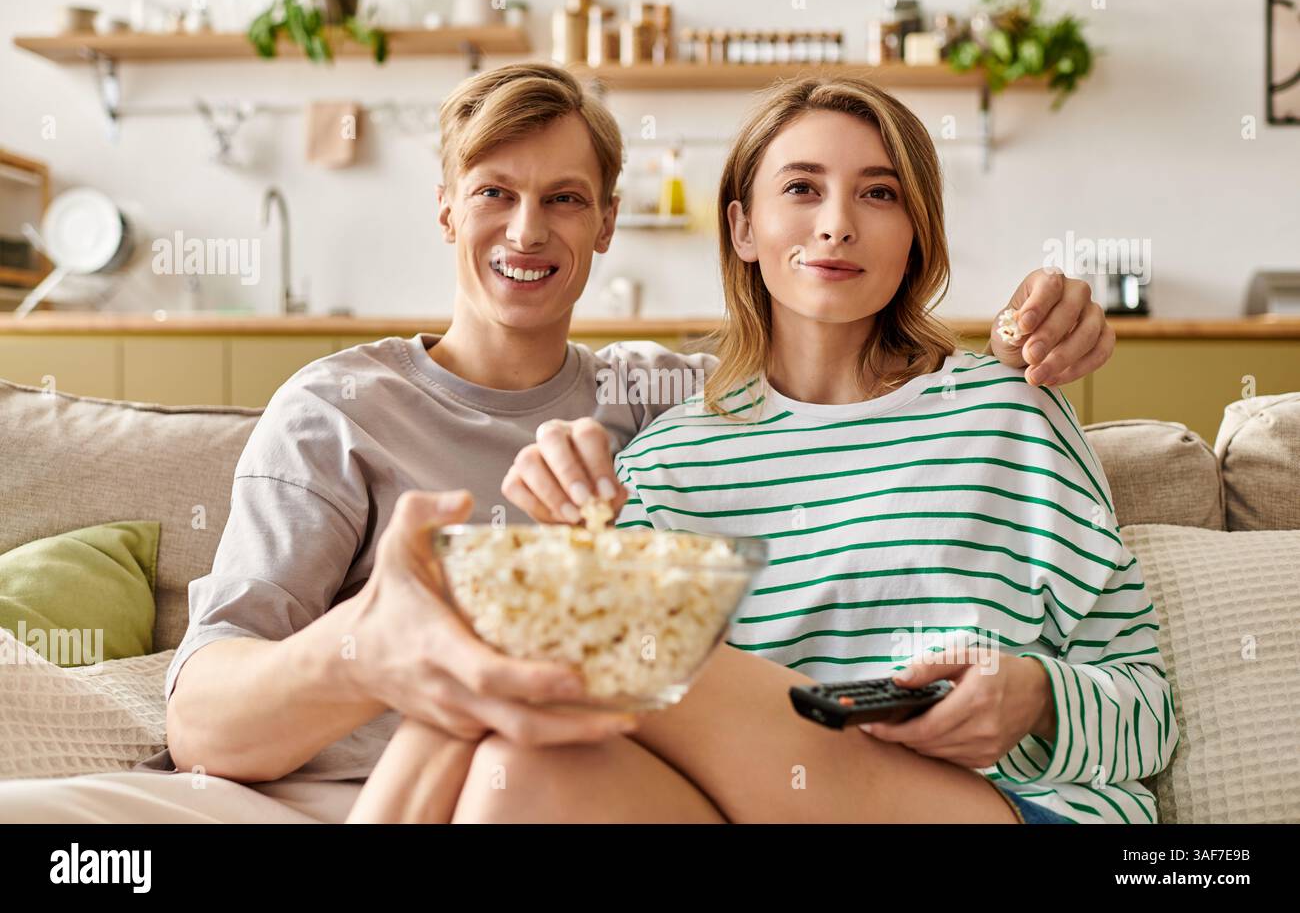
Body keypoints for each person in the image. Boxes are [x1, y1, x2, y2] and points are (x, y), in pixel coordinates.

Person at [0, 64, 1118, 824]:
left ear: (607, 222)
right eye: (495, 192)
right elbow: (199, 721)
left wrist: (1039, 316)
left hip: (913, 787)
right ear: (445, 207)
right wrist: (383, 637)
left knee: (553, 625)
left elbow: (830, 374)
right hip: (566, 783)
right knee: (512, 754)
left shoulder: (667, 404)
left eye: (565, 199)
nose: (528, 230)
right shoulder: (349, 409)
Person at [347, 72, 1168, 823]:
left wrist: (1036, 699)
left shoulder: (1008, 415)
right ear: (743, 226)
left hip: (1001, 810)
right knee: (515, 775)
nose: (837, 225)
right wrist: (569, 544)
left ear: (916, 233)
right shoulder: (669, 462)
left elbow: (1151, 710)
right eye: (802, 189)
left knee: (572, 631)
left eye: (878, 194)